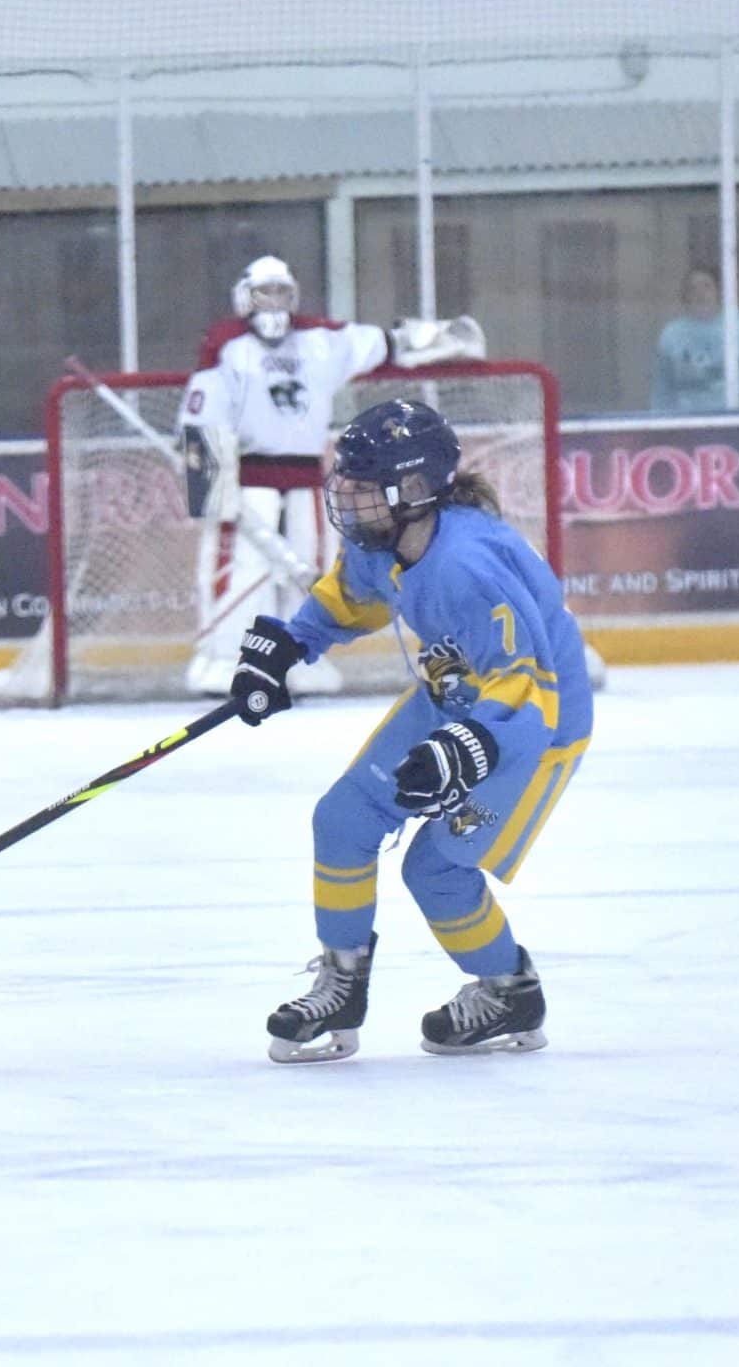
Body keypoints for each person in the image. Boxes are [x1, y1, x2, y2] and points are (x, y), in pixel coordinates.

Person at [226, 398, 593, 1063]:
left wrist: (469, 746)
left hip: (535, 727)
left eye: (365, 487)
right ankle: (341, 987)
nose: (348, 498)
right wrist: (289, 645)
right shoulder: (386, 537)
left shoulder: (467, 565)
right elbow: (352, 596)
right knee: (343, 820)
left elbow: (528, 685)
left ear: (416, 488)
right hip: (456, 695)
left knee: (436, 870)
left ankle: (509, 990)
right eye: (348, 483)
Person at [177, 256, 487, 697]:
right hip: (245, 480)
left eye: (282, 292)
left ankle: (296, 662)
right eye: (264, 293)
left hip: (305, 479)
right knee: (241, 571)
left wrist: (444, 338)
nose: (274, 303)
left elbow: (387, 343)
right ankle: (222, 662)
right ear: (245, 297)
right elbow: (200, 414)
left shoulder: (318, 340)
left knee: (310, 568)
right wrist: (207, 477)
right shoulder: (227, 345)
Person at [651, 267, 739, 413]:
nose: (700, 294)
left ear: (720, 291)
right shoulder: (671, 335)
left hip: (732, 423)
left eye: (706, 286)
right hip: (686, 423)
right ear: (684, 296)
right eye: (692, 289)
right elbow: (662, 392)